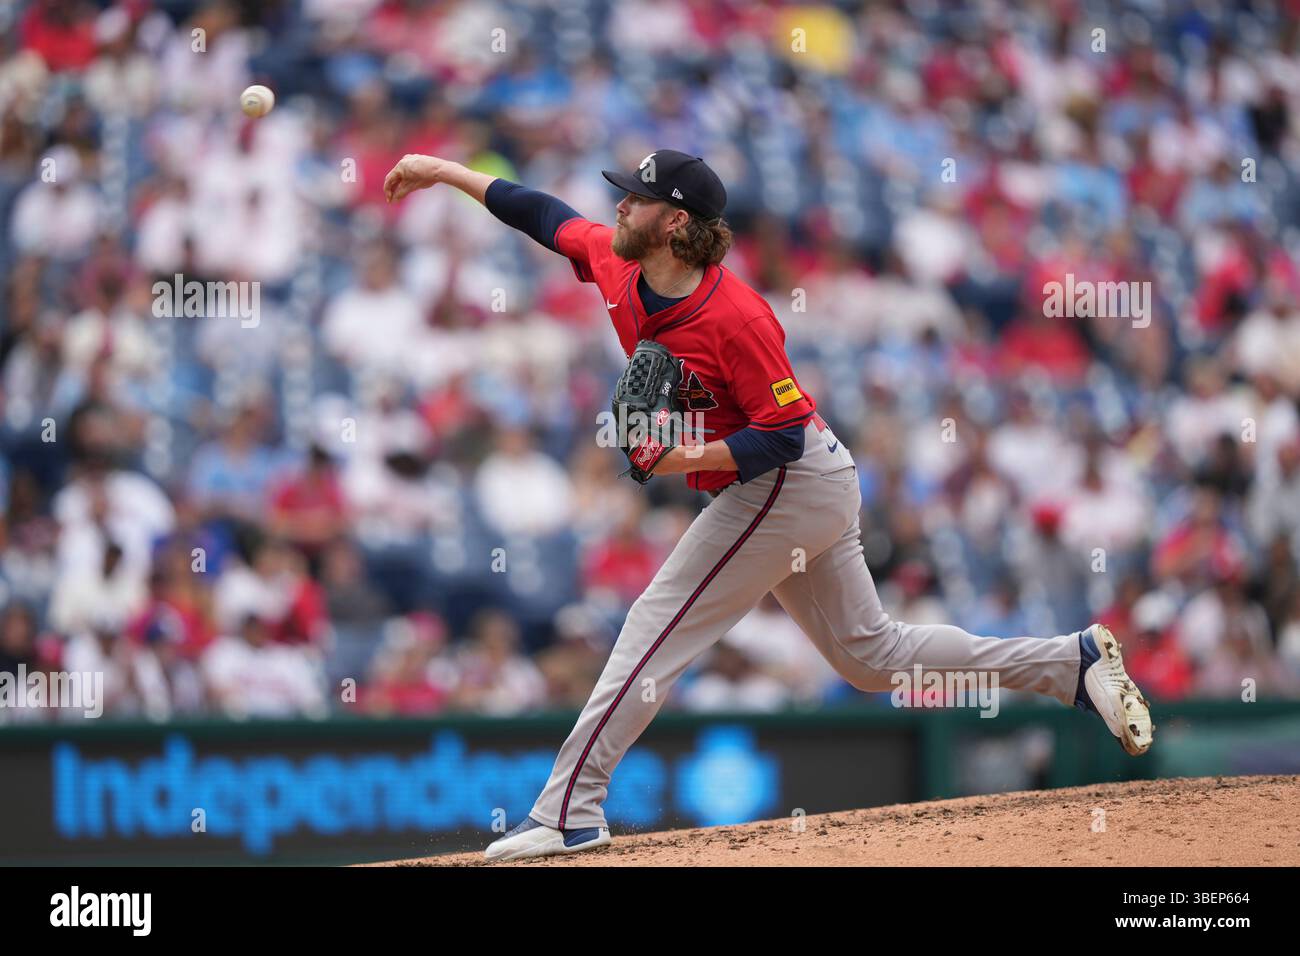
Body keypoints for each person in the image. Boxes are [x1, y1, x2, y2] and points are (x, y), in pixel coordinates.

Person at [382, 149, 1155, 863]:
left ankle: (568, 812)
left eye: (635, 199)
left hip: (789, 482)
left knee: (655, 625)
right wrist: (442, 169)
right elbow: (542, 214)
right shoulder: (618, 268)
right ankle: (1071, 661)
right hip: (790, 486)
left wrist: (682, 458)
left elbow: (781, 437)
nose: (617, 207)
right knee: (871, 658)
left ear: (675, 222)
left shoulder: (737, 317)